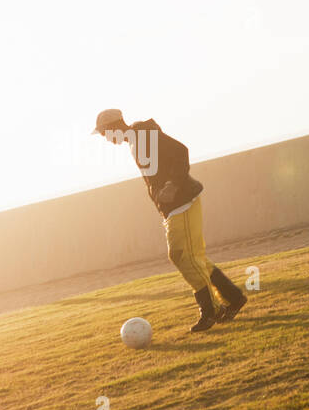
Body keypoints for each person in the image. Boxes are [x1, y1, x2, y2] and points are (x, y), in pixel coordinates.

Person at [92, 109, 246, 332]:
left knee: (180, 256)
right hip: (174, 207)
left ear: (113, 127)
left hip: (182, 202)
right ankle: (233, 298)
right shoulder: (135, 139)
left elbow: (181, 151)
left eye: (104, 133)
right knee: (195, 258)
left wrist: (172, 185)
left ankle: (210, 310)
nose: (105, 139)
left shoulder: (143, 134)